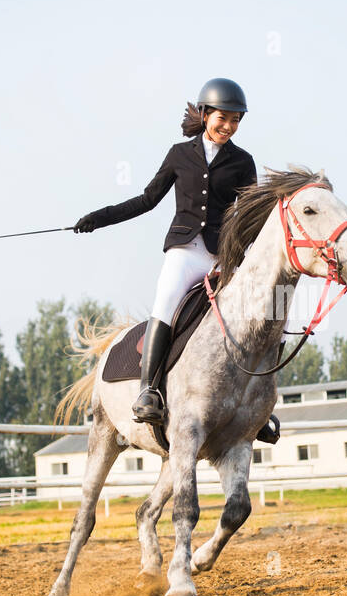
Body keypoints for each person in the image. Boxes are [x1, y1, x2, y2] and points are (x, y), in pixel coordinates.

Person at [75, 78, 270, 434]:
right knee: (164, 307)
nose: (228, 126)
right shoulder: (179, 155)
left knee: (261, 312)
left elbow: (251, 215)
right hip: (185, 252)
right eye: (222, 118)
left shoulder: (243, 161)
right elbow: (147, 200)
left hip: (224, 256)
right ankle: (149, 391)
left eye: (236, 120)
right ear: (205, 113)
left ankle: (258, 403)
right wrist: (99, 218)